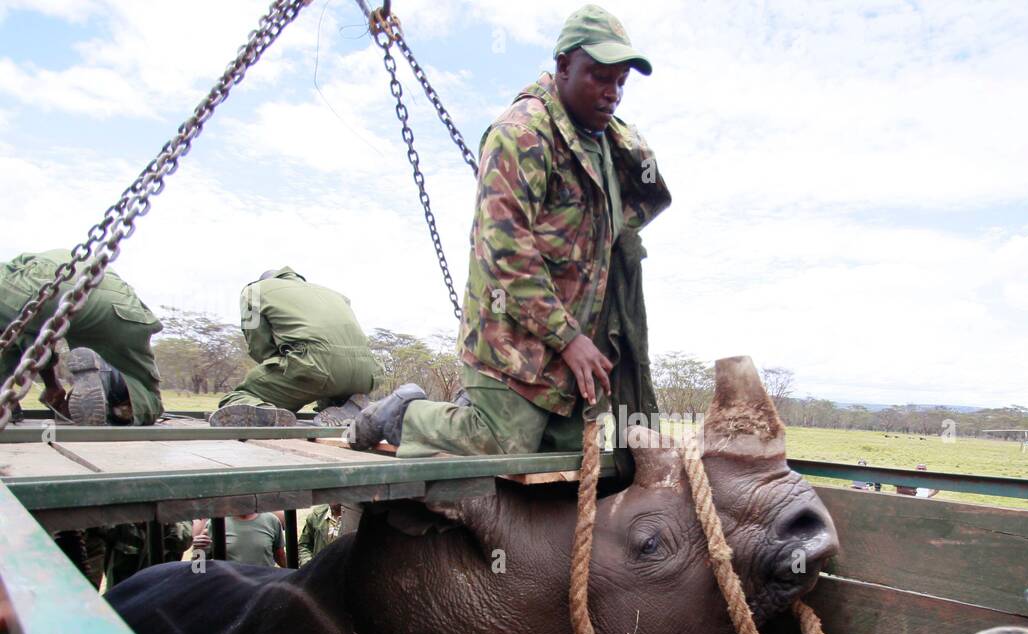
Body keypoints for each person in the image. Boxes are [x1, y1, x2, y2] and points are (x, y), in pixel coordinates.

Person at [348, 4, 671, 458]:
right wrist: (569, 338)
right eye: (600, 76)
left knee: (601, 454)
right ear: (562, 67)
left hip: (567, 352)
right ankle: (401, 416)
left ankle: (471, 410)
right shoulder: (521, 134)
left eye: (620, 82)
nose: (612, 93)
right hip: (511, 342)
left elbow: (637, 208)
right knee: (503, 443)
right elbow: (502, 250)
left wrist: (637, 153)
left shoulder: (605, 142)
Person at [0, 249, 165, 425]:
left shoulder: (10, 277)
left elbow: (29, 340)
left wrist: (51, 385)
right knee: (147, 394)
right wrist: (52, 386)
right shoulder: (36, 260)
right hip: (120, 303)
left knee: (14, 330)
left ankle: (106, 381)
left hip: (37, 289)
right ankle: (106, 379)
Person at [209, 267, 381, 428]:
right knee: (331, 384)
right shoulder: (337, 296)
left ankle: (266, 411)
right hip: (367, 375)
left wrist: (276, 367)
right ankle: (346, 405)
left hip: (313, 367)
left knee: (240, 397)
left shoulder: (254, 291)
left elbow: (258, 344)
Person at [192, 513, 286, 568]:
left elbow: (280, 556)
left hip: (264, 587)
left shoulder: (271, 520)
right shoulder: (216, 523)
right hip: (232, 589)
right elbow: (198, 568)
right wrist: (197, 549)